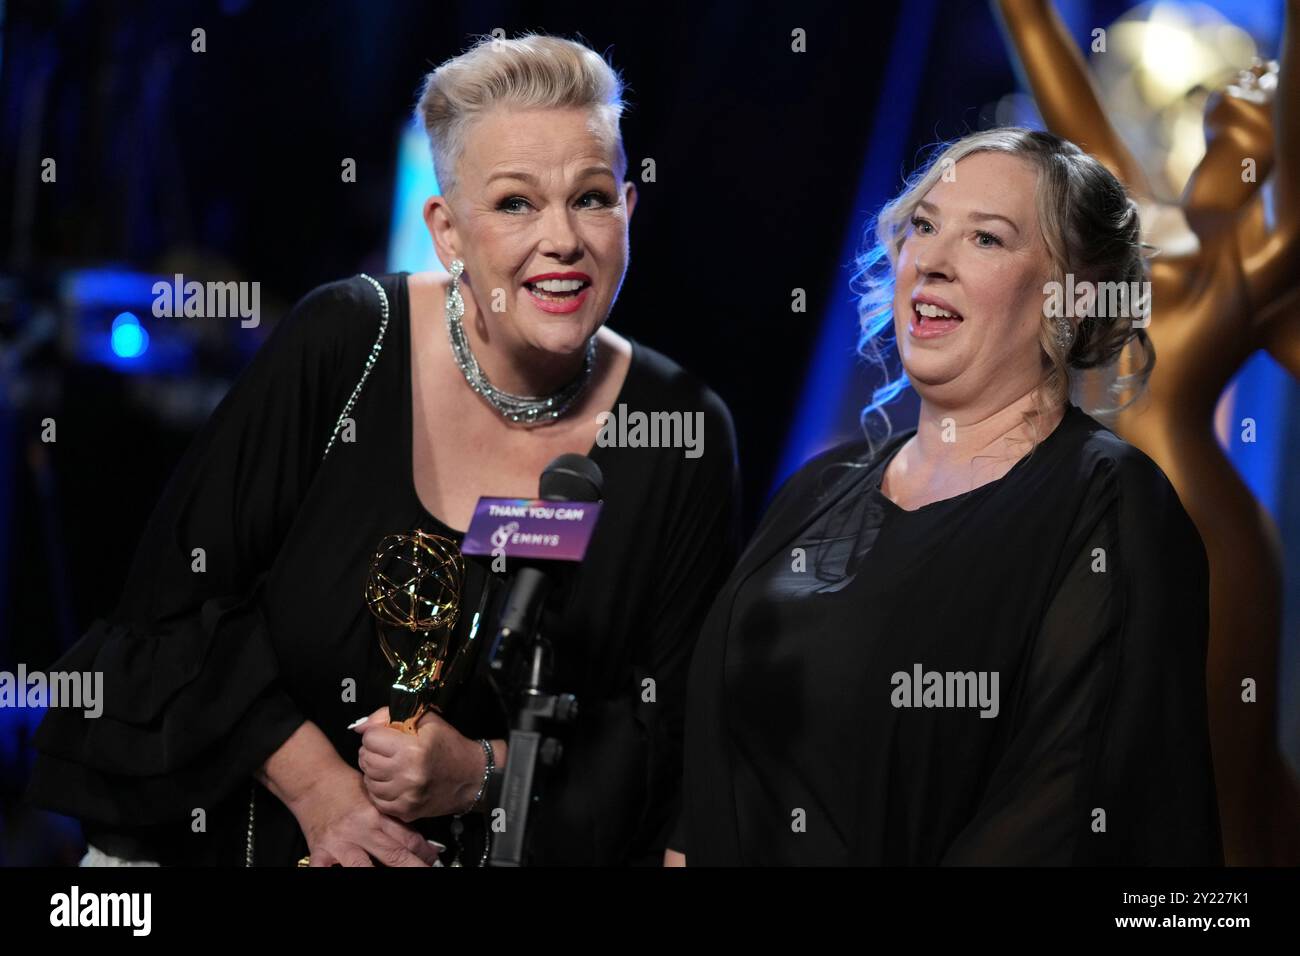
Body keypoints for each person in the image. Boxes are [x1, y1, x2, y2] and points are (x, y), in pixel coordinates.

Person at [27, 33, 740, 867]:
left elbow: (672, 745)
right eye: (515, 203)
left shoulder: (685, 431)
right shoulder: (345, 341)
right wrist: (326, 795)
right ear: (446, 229)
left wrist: (479, 774)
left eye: (590, 198)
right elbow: (172, 614)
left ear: (629, 209)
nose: (563, 240)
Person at [671, 128, 1221, 866]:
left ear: (1072, 294)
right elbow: (709, 790)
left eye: (986, 240)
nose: (929, 260)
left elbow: (1069, 809)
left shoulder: (1110, 507)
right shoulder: (817, 492)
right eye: (923, 227)